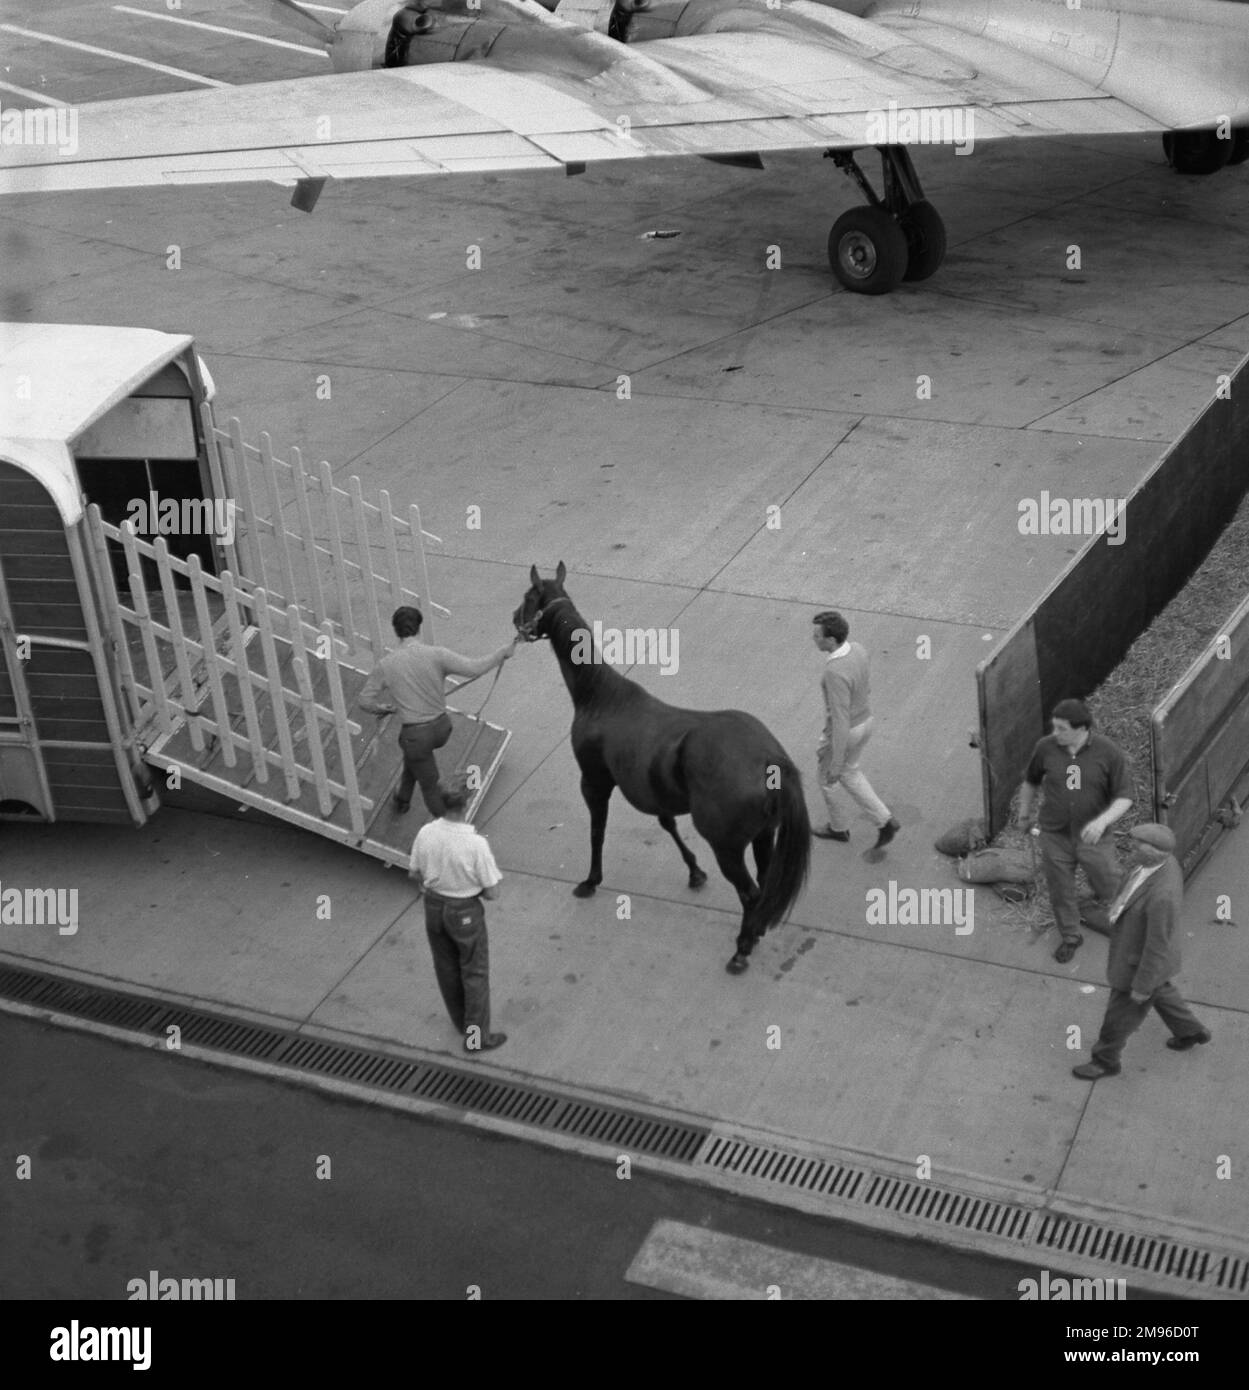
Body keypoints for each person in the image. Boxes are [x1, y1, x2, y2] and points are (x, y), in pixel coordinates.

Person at [1071, 823, 1211, 1081]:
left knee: (1119, 1017)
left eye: (1138, 845)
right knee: (1163, 992)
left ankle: (1105, 1061)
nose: (1131, 848)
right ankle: (1190, 1030)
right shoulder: (1157, 864)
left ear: (1155, 852)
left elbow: (1157, 945)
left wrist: (1142, 986)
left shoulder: (1163, 896)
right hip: (1147, 960)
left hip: (1138, 967)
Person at [358, 606, 517, 817]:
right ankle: (402, 799)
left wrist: (382, 708)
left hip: (416, 737)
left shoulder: (386, 665)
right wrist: (502, 653)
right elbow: (474, 668)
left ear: (396, 632)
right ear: (418, 628)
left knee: (430, 785)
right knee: (414, 758)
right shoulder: (437, 655)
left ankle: (449, 826)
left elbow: (364, 700)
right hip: (442, 728)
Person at [1017, 698, 1132, 963]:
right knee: (1060, 888)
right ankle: (1071, 936)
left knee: (1109, 881)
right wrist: (1024, 814)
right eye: (1053, 727)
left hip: (1093, 838)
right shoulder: (1045, 748)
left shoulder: (1108, 752)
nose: (1054, 733)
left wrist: (1102, 821)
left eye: (1061, 728)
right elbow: (1031, 782)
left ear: (1082, 729)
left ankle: (1124, 922)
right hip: (1055, 834)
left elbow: (1125, 796)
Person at [409, 775, 507, 1053]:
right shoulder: (475, 844)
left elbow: (413, 872)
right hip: (464, 913)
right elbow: (492, 893)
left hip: (433, 907)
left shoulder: (426, 832)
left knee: (446, 968)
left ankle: (461, 1022)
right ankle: (477, 1038)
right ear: (467, 803)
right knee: (474, 974)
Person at [810, 610, 900, 850]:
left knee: (828, 780)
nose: (814, 638)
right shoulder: (858, 649)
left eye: (817, 635)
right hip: (866, 721)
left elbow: (840, 719)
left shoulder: (834, 672)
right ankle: (885, 820)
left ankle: (838, 828)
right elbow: (865, 683)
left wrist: (835, 762)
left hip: (846, 731)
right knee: (852, 772)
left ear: (831, 640)